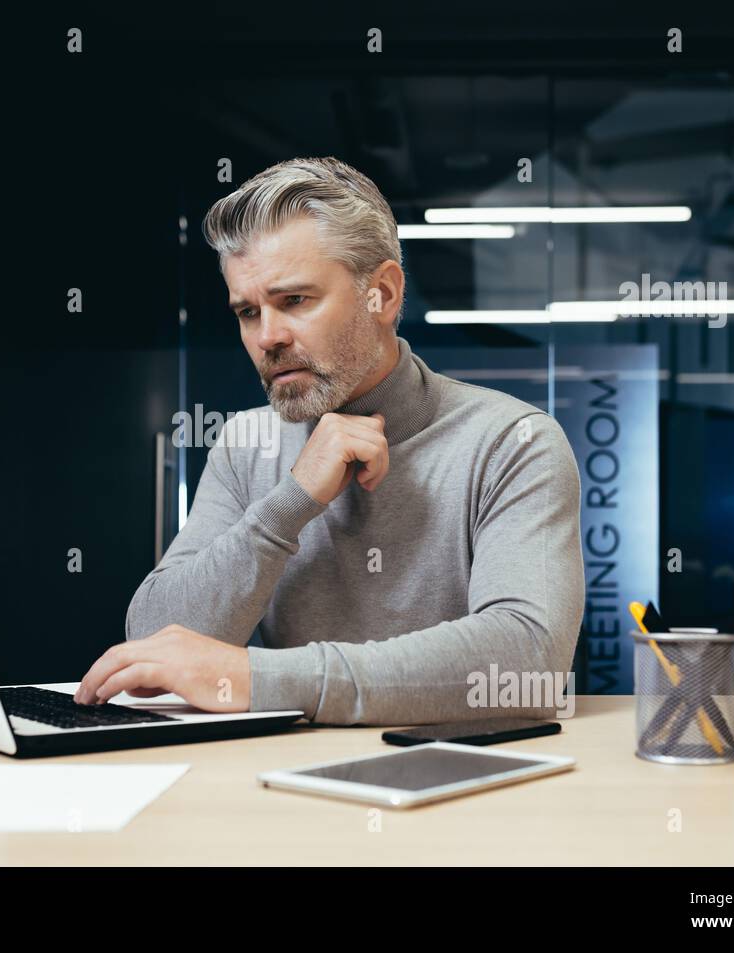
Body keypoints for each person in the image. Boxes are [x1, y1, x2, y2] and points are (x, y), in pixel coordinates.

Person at [76, 156, 584, 725]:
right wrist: (290, 504)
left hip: (464, 786)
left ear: (383, 295)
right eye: (248, 311)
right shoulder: (247, 445)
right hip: (285, 787)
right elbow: (152, 644)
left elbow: (529, 665)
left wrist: (258, 679)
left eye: (294, 300)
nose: (267, 337)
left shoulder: (513, 443)